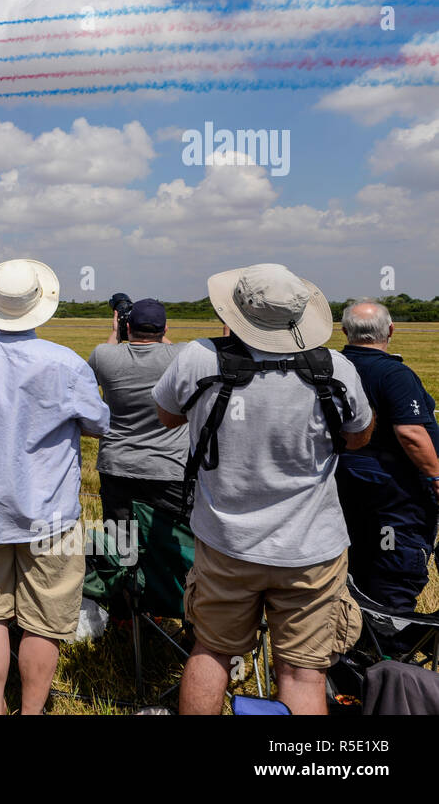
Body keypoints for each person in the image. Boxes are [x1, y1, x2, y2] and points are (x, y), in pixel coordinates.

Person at [154, 263, 374, 715]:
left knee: (213, 652)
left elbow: (167, 415)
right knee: (302, 673)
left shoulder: (199, 357)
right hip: (312, 549)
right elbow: (359, 436)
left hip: (225, 542)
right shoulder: (335, 368)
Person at [0, 258, 109, 715]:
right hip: (50, 513)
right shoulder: (65, 362)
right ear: (41, 306)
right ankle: (31, 712)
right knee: (46, 621)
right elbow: (100, 423)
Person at [336, 301, 439, 618]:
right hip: (393, 495)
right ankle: (389, 654)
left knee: (354, 567)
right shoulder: (393, 373)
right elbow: (410, 432)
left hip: (341, 486)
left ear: (344, 331)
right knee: (391, 570)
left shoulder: (334, 366)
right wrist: (436, 477)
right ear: (391, 330)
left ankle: (356, 644)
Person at [87, 299, 189, 532]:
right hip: (170, 467)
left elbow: (88, 384)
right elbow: (173, 349)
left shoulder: (103, 355)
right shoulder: (182, 355)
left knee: (120, 543)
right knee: (167, 545)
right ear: (165, 328)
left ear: (127, 327)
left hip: (118, 465)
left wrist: (116, 332)